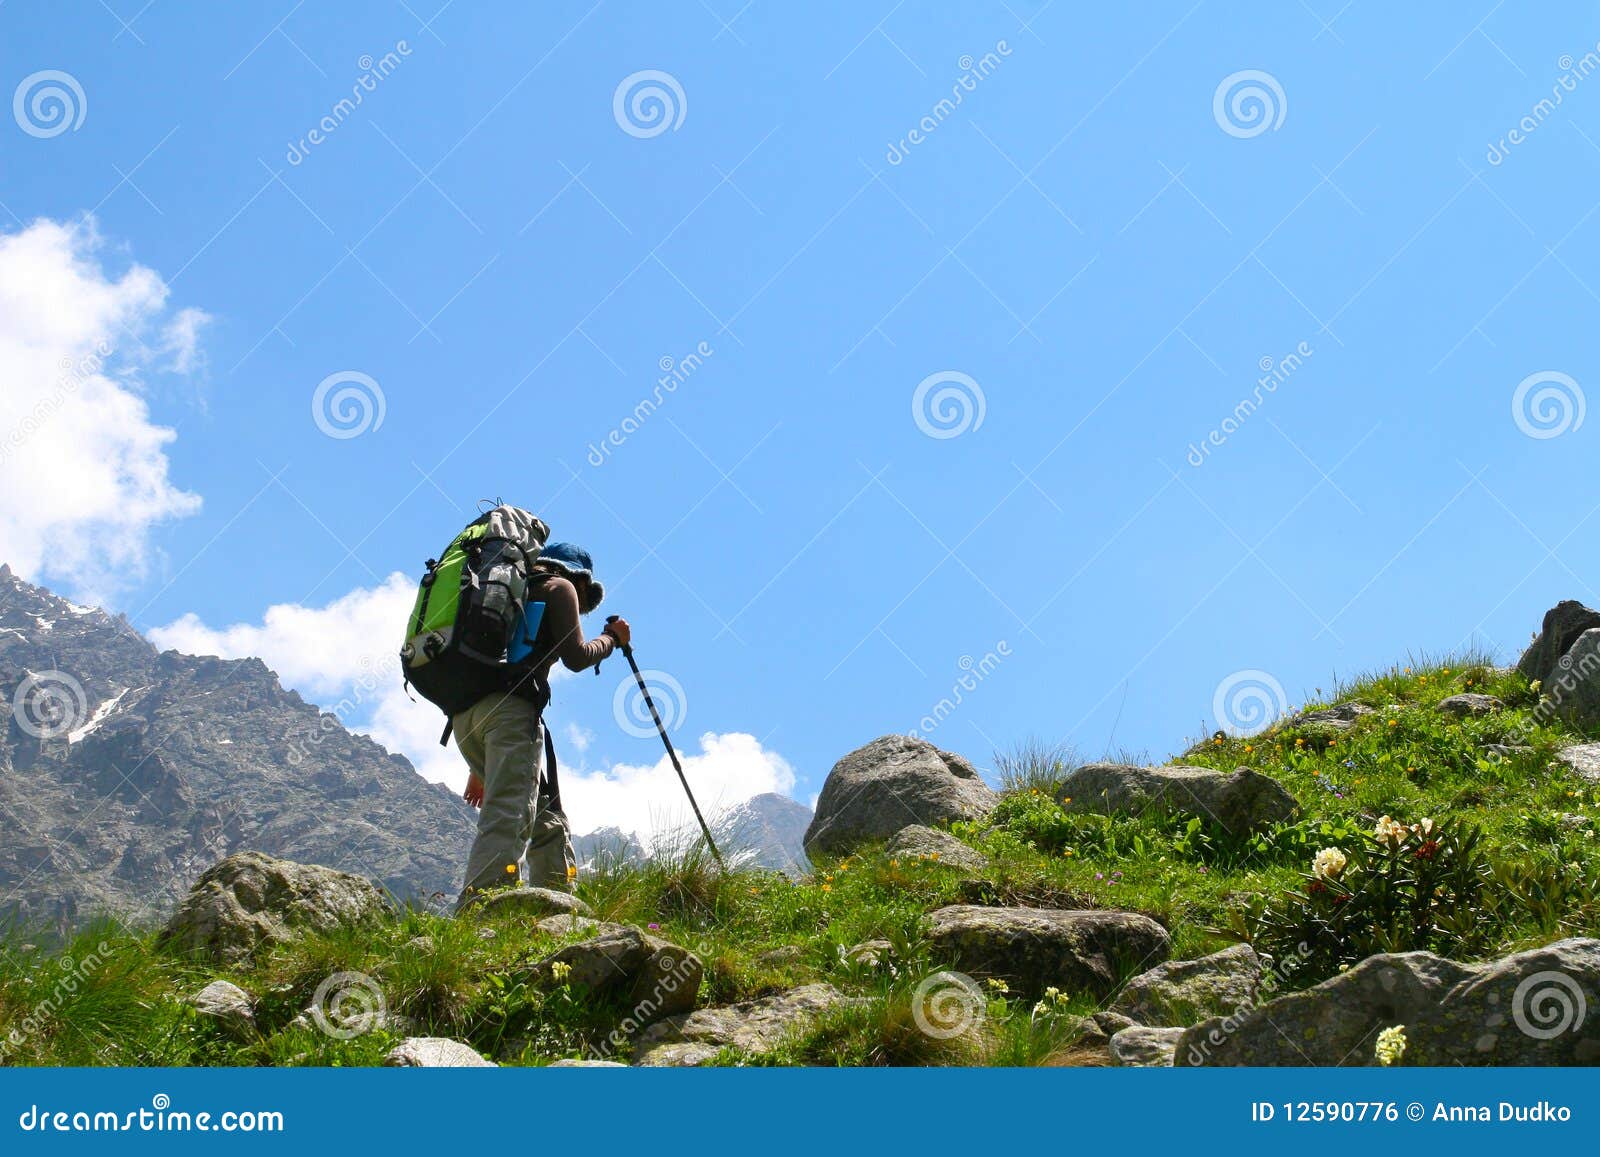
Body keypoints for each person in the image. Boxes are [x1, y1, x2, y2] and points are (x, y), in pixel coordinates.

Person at [452, 542, 629, 911]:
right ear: (580, 580)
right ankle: (483, 914)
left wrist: (477, 766)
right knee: (510, 814)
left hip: (464, 718)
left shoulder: (502, 591)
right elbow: (578, 657)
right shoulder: (558, 587)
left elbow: (488, 668)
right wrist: (612, 639)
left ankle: (558, 911)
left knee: (545, 815)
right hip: (510, 716)